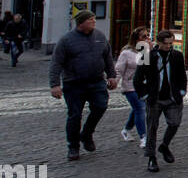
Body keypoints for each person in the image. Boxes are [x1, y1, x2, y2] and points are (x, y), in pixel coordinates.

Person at [49, 11, 118, 161]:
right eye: (90, 20)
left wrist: (112, 76)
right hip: (74, 83)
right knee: (75, 115)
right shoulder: (66, 40)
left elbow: (107, 57)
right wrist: (55, 84)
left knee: (101, 106)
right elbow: (56, 63)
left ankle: (87, 133)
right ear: (81, 23)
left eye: (94, 19)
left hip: (97, 81)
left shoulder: (100, 37)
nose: (94, 22)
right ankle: (73, 146)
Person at [137, 29, 187, 172]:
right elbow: (138, 78)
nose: (169, 46)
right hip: (155, 98)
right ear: (158, 43)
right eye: (166, 44)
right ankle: (151, 157)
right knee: (152, 127)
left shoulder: (177, 55)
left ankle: (164, 145)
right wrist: (144, 96)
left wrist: (182, 91)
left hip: (172, 97)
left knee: (175, 122)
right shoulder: (146, 55)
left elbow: (182, 76)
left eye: (171, 43)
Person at [116, 27, 150, 147]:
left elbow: (147, 69)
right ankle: (143, 137)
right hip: (129, 86)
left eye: (147, 35)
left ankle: (126, 129)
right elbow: (119, 70)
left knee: (137, 109)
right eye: (144, 36)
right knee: (140, 108)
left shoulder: (145, 51)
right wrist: (115, 81)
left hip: (141, 86)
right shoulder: (126, 53)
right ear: (136, 39)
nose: (147, 38)